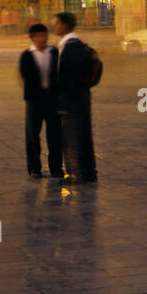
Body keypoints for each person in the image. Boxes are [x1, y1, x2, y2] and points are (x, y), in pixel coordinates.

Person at [52, 11, 97, 183]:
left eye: (57, 23)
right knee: (84, 133)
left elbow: (66, 77)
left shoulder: (69, 47)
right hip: (82, 96)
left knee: (71, 136)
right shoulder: (77, 44)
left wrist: (61, 99)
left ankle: (75, 173)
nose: (54, 26)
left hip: (71, 98)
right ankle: (88, 172)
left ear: (64, 25)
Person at [18, 24, 63, 179]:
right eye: (40, 36)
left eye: (45, 35)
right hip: (34, 101)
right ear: (32, 37)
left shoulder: (54, 52)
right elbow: (26, 77)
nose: (43, 39)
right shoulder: (26, 55)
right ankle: (34, 168)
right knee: (32, 135)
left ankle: (56, 168)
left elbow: (59, 74)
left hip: (52, 100)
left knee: (55, 135)